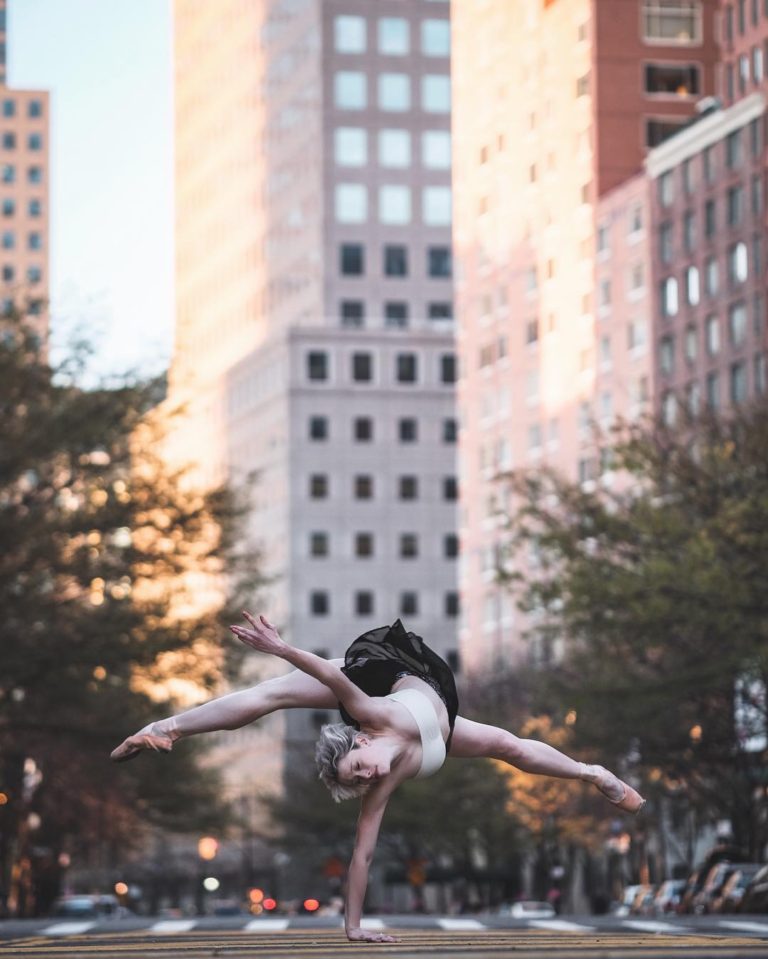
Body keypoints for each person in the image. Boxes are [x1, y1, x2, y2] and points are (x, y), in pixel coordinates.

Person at [111, 613, 645, 943]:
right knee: (505, 745)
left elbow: (326, 673)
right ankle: (164, 730)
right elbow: (362, 853)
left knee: (275, 692)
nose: (367, 779)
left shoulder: (370, 714)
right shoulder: (386, 782)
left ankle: (593, 773)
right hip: (438, 728)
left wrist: (279, 649)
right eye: (360, 782)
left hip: (386, 675)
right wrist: (353, 927)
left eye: (357, 770)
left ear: (360, 742)